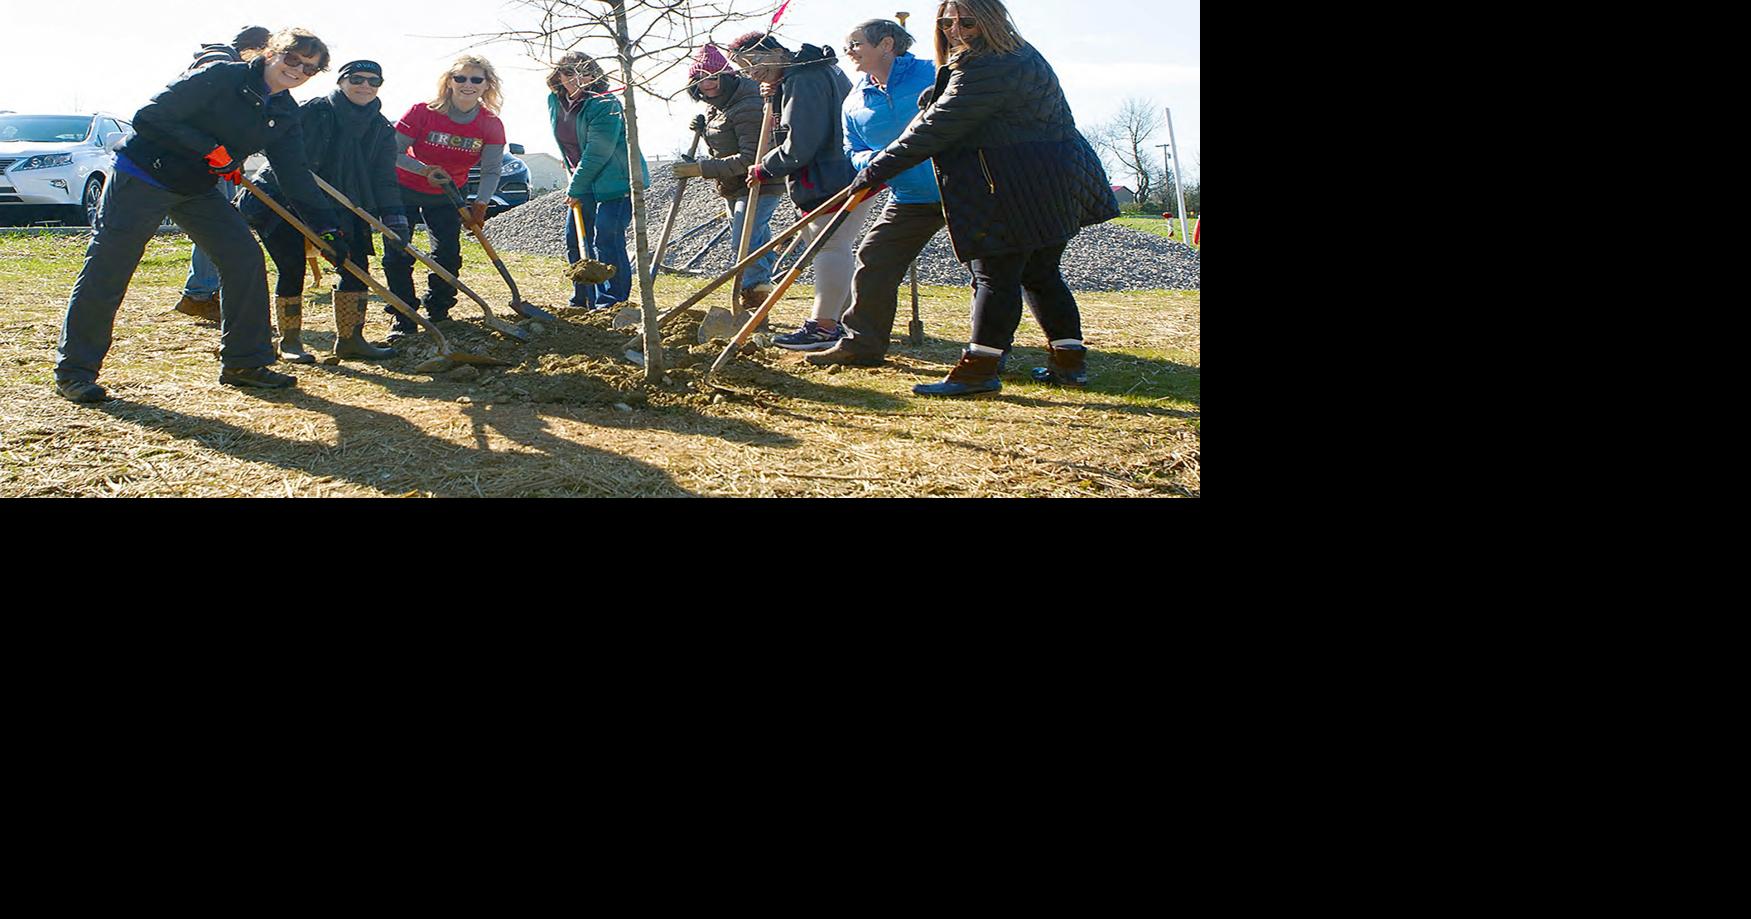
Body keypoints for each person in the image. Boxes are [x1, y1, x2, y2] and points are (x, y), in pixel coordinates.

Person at [842, 0, 1119, 396]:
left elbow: (939, 127)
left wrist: (875, 169)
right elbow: (949, 114)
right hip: (1049, 177)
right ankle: (1069, 364)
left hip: (1015, 183)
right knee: (1038, 273)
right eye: (947, 22)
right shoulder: (1013, 56)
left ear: (991, 20)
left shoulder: (989, 64)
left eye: (967, 21)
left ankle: (979, 369)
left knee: (995, 272)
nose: (956, 29)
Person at [53, 28, 341, 402]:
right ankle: (75, 371)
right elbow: (150, 116)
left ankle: (244, 362)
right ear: (271, 52)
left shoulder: (284, 112)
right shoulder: (222, 75)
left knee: (243, 257)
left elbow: (295, 175)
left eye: (309, 68)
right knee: (109, 266)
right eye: (292, 58)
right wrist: (210, 149)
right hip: (143, 175)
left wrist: (328, 229)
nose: (298, 70)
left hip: (195, 188)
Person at [241, 59, 404, 362]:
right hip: (286, 198)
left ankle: (351, 340)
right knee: (292, 267)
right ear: (341, 81)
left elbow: (384, 178)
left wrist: (396, 221)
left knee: (355, 266)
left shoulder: (381, 128)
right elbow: (277, 146)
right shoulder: (312, 112)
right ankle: (290, 341)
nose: (365, 86)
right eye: (357, 79)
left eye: (373, 81)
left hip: (344, 203)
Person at [804, 18, 941, 367]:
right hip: (909, 195)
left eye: (856, 44)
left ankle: (988, 351)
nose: (849, 51)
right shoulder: (854, 101)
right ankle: (860, 344)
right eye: (847, 45)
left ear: (887, 44)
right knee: (874, 259)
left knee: (984, 267)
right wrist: (877, 159)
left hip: (959, 187)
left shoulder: (934, 73)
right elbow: (854, 148)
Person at [724, 31, 866, 349]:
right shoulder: (806, 72)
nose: (751, 71)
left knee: (829, 248)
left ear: (775, 51)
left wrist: (765, 167)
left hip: (829, 174)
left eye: (754, 61)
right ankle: (839, 322)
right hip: (835, 172)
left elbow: (802, 143)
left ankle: (824, 326)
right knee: (833, 247)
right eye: (744, 67)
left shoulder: (805, 79)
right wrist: (775, 95)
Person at [382, 55, 505, 339]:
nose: (467, 84)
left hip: (449, 194)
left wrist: (481, 205)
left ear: (487, 85)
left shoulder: (490, 124)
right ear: (449, 82)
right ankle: (404, 316)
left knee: (447, 254)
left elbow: (491, 170)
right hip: (403, 188)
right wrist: (424, 170)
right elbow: (393, 153)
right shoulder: (422, 112)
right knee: (397, 251)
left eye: (476, 79)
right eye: (460, 78)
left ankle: (439, 311)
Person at [670, 42, 783, 315]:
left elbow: (750, 158)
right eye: (700, 79)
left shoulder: (748, 103)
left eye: (713, 77)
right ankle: (762, 283)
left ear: (727, 76)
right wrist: (706, 130)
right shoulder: (718, 106)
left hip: (759, 183)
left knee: (744, 241)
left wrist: (701, 168)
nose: (707, 84)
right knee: (753, 238)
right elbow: (725, 142)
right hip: (733, 186)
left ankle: (754, 300)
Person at [173, 25, 273, 324]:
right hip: (200, 162)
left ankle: (202, 291)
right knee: (218, 228)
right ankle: (199, 294)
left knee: (218, 228)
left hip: (216, 162)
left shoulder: (234, 67)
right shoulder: (220, 62)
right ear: (254, 47)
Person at [545, 52, 649, 309]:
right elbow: (567, 139)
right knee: (575, 238)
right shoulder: (554, 101)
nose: (577, 79)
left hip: (616, 180)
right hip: (584, 178)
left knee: (607, 236)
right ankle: (584, 298)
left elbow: (598, 151)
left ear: (595, 75)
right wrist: (569, 163)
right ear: (559, 76)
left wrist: (576, 185)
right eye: (569, 73)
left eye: (585, 72)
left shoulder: (605, 103)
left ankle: (612, 302)